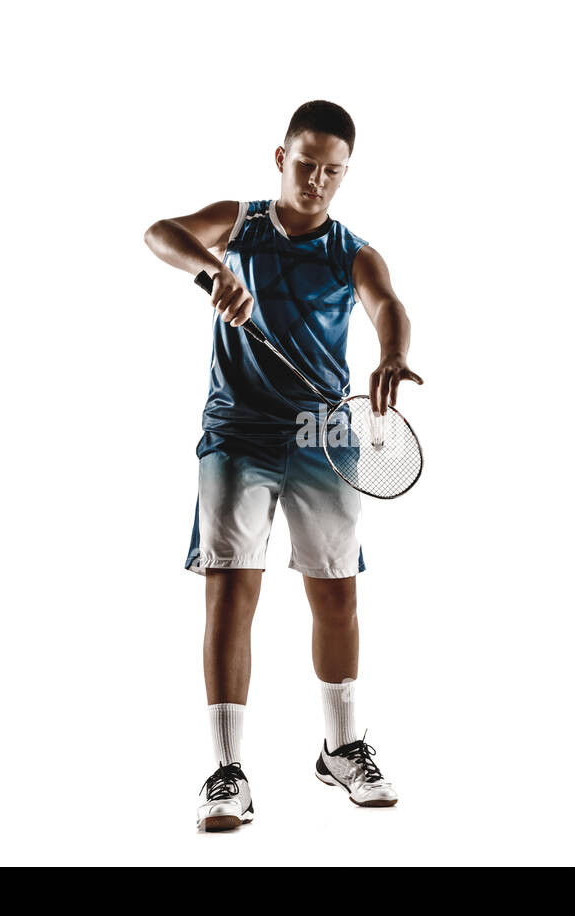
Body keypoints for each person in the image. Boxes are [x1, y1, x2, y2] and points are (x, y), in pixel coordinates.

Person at [144, 100, 423, 831]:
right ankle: (226, 773)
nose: (319, 182)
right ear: (281, 158)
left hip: (321, 434)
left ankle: (342, 749)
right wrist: (214, 274)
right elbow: (160, 233)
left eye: (334, 171)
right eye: (307, 165)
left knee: (336, 595)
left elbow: (386, 302)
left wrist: (392, 355)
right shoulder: (241, 224)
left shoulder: (350, 250)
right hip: (237, 432)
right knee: (231, 592)